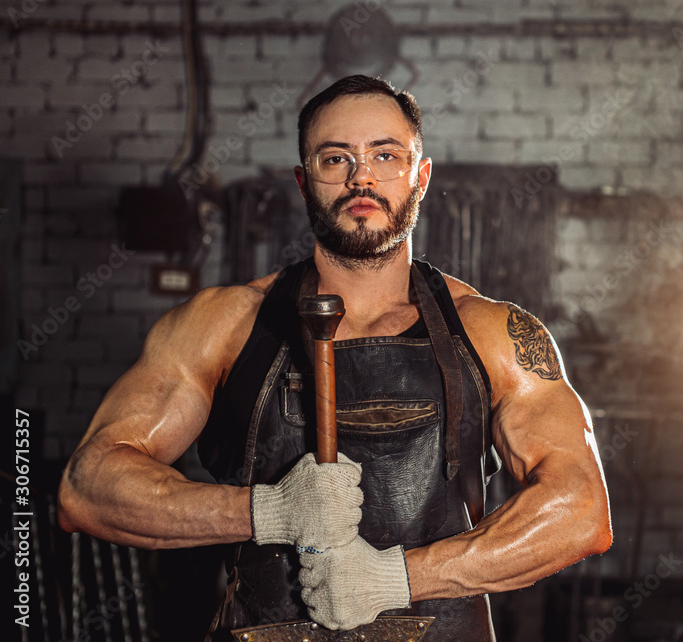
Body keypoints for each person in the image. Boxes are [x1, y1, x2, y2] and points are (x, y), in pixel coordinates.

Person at [57, 75, 612, 641]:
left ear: (420, 178)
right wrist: (268, 512)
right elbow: (88, 484)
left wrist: (395, 578)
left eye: (385, 155)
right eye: (335, 158)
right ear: (304, 182)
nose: (361, 176)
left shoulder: (492, 332)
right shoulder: (224, 325)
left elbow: (581, 509)